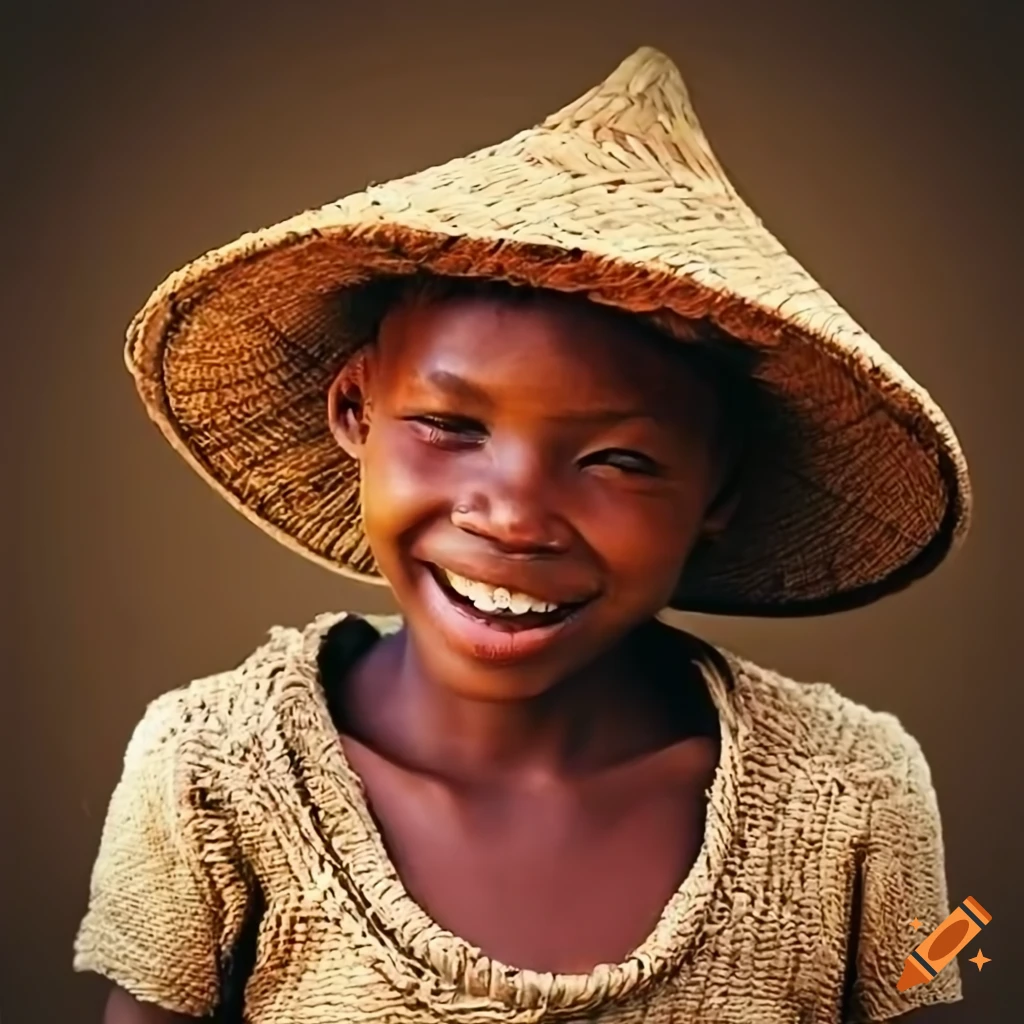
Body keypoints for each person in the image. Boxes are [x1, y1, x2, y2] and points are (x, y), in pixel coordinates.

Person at [74, 46, 971, 1024]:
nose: (510, 516)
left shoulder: (855, 793)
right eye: (450, 428)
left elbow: (938, 965)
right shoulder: (210, 773)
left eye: (618, 460)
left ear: (721, 488)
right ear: (354, 410)